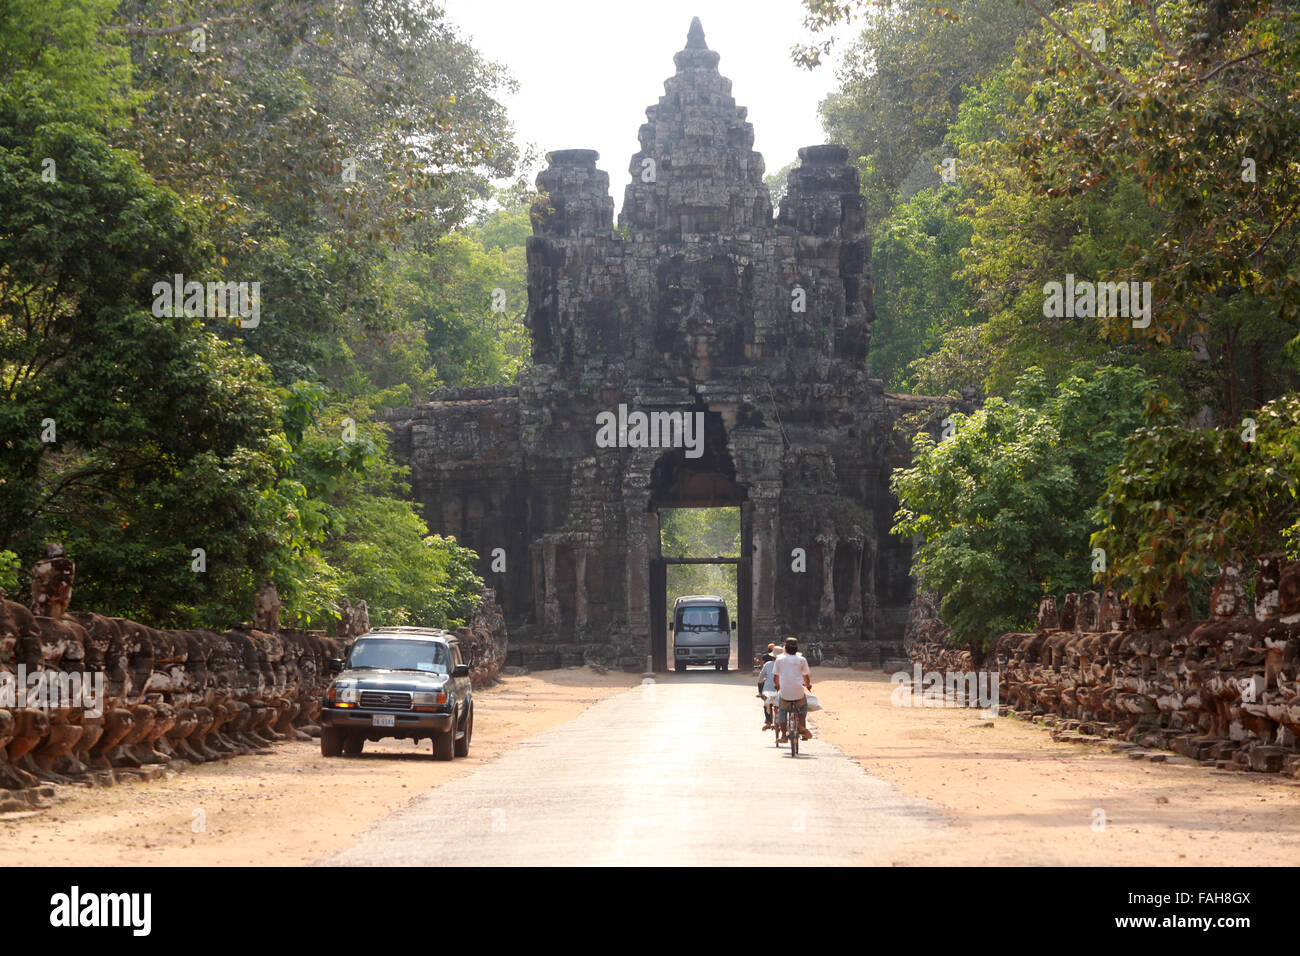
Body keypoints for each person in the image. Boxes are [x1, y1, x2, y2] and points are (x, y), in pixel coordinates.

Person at [772, 637, 812, 741]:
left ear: (785, 648)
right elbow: (806, 676)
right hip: (798, 692)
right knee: (803, 706)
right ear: (796, 648)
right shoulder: (802, 660)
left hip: (785, 692)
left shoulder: (779, 660)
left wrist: (777, 685)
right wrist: (808, 685)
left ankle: (784, 735)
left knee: (782, 710)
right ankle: (802, 726)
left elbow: (776, 677)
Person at [757, 647, 779, 729]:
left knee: (767, 704)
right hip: (781, 691)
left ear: (772, 656)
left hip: (769, 690)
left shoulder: (768, 664)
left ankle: (768, 722)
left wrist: (761, 681)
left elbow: (760, 678)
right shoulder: (784, 665)